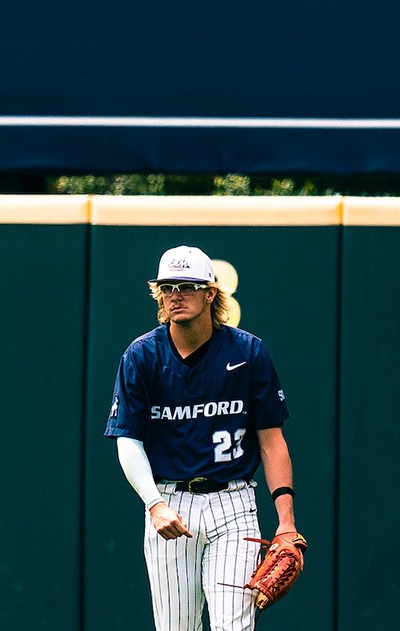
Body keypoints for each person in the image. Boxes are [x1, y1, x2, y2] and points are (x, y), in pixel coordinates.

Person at [103, 245, 300, 631]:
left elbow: (272, 440)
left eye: (187, 286)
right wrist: (154, 504)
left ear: (211, 292)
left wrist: (286, 522)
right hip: (170, 505)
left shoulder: (249, 351)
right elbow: (127, 439)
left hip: (234, 503)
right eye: (168, 286)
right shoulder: (141, 355)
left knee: (233, 627)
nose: (176, 294)